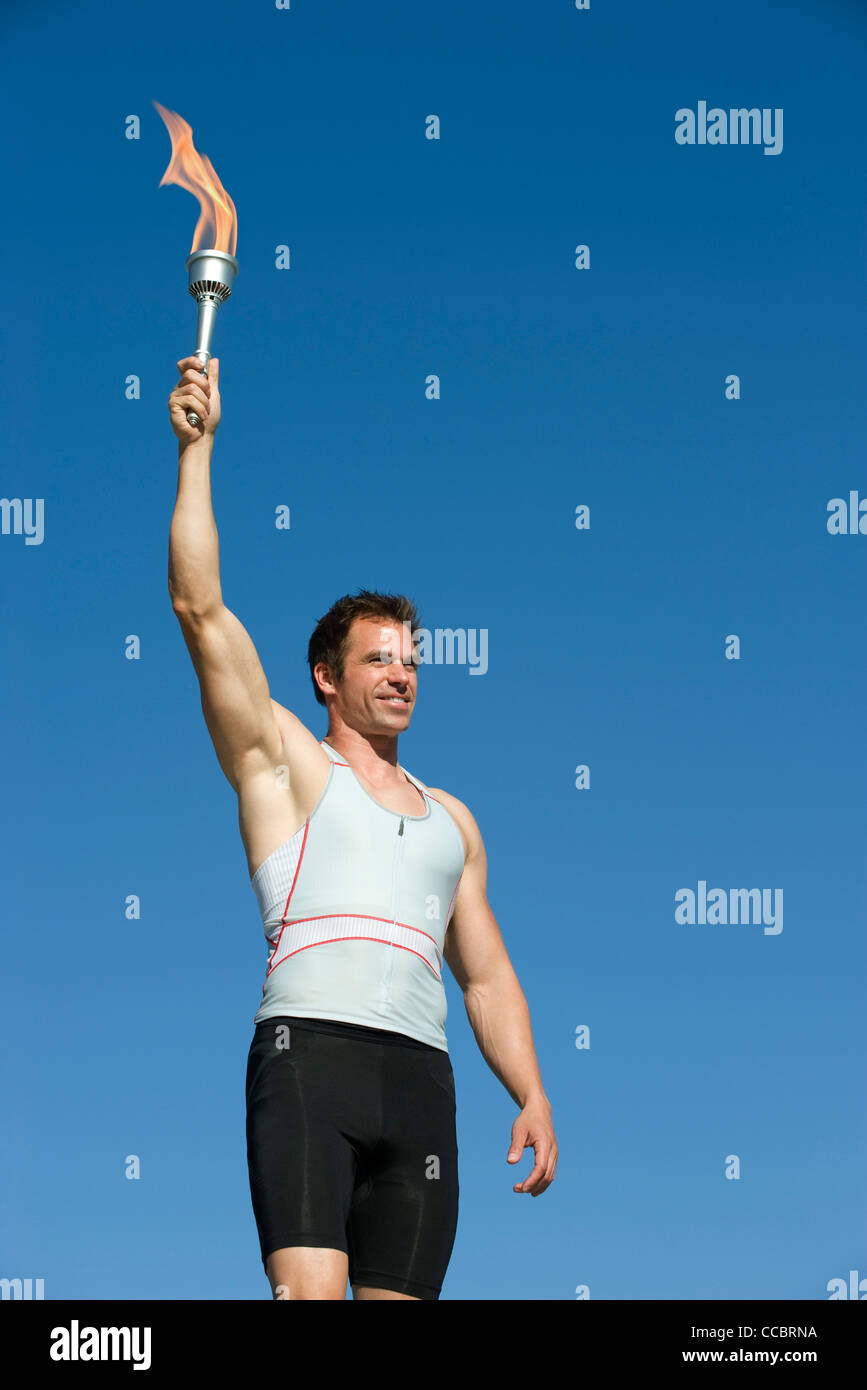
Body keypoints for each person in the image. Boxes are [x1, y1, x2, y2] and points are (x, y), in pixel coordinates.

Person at [167, 355, 558, 1300]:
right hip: (309, 1061)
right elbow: (200, 608)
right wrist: (197, 452)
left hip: (422, 1087)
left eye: (411, 661)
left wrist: (533, 1092)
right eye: (377, 660)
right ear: (326, 678)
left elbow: (487, 973)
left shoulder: (452, 820)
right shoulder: (290, 767)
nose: (400, 675)